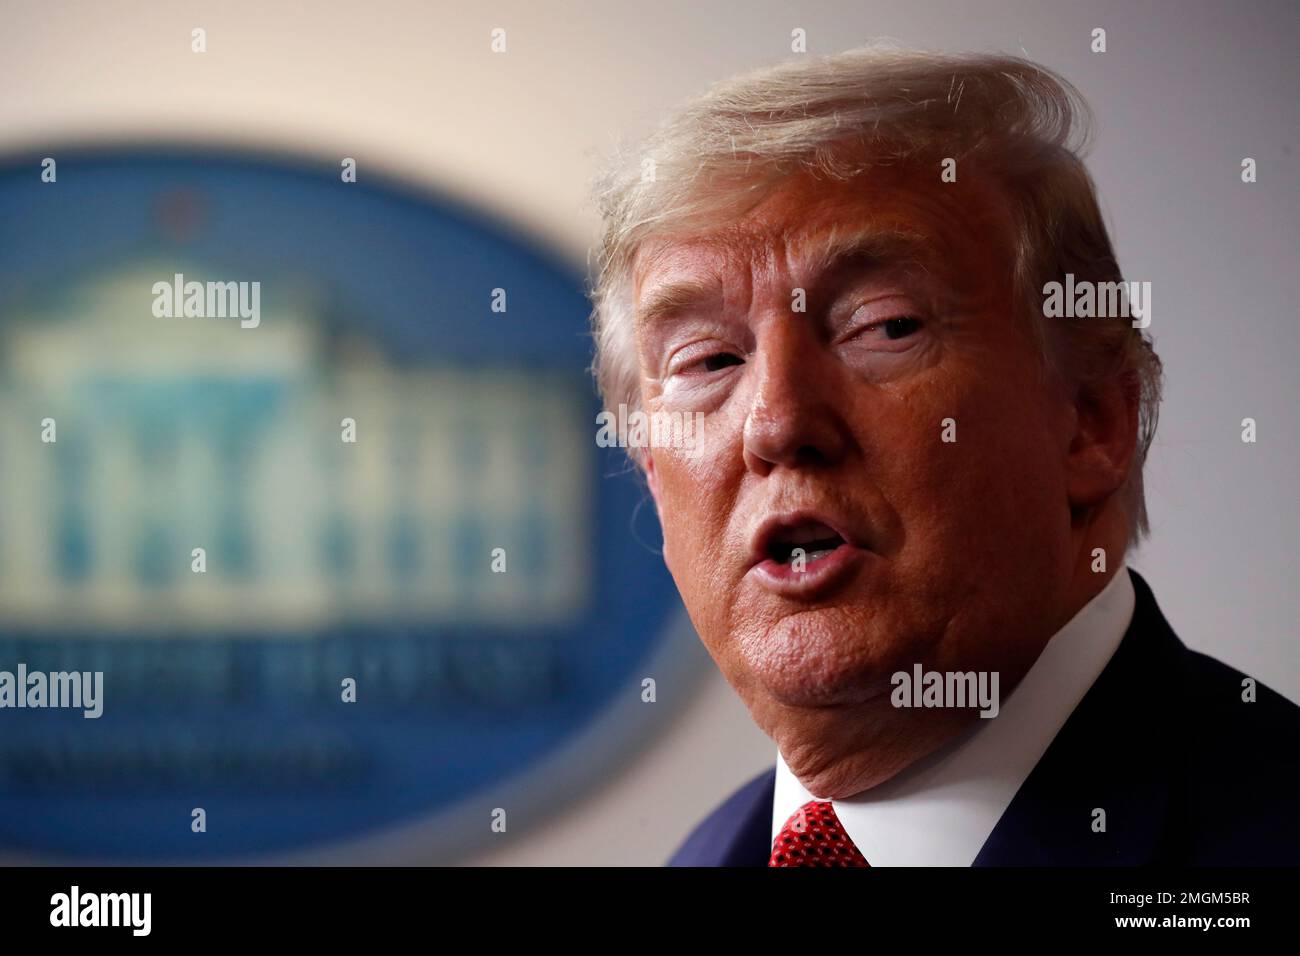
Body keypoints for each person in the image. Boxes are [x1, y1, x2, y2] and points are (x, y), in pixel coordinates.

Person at [586, 47, 1300, 866]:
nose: (778, 424)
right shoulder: (709, 854)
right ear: (652, 472)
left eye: (885, 326)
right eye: (709, 362)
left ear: (1093, 422)